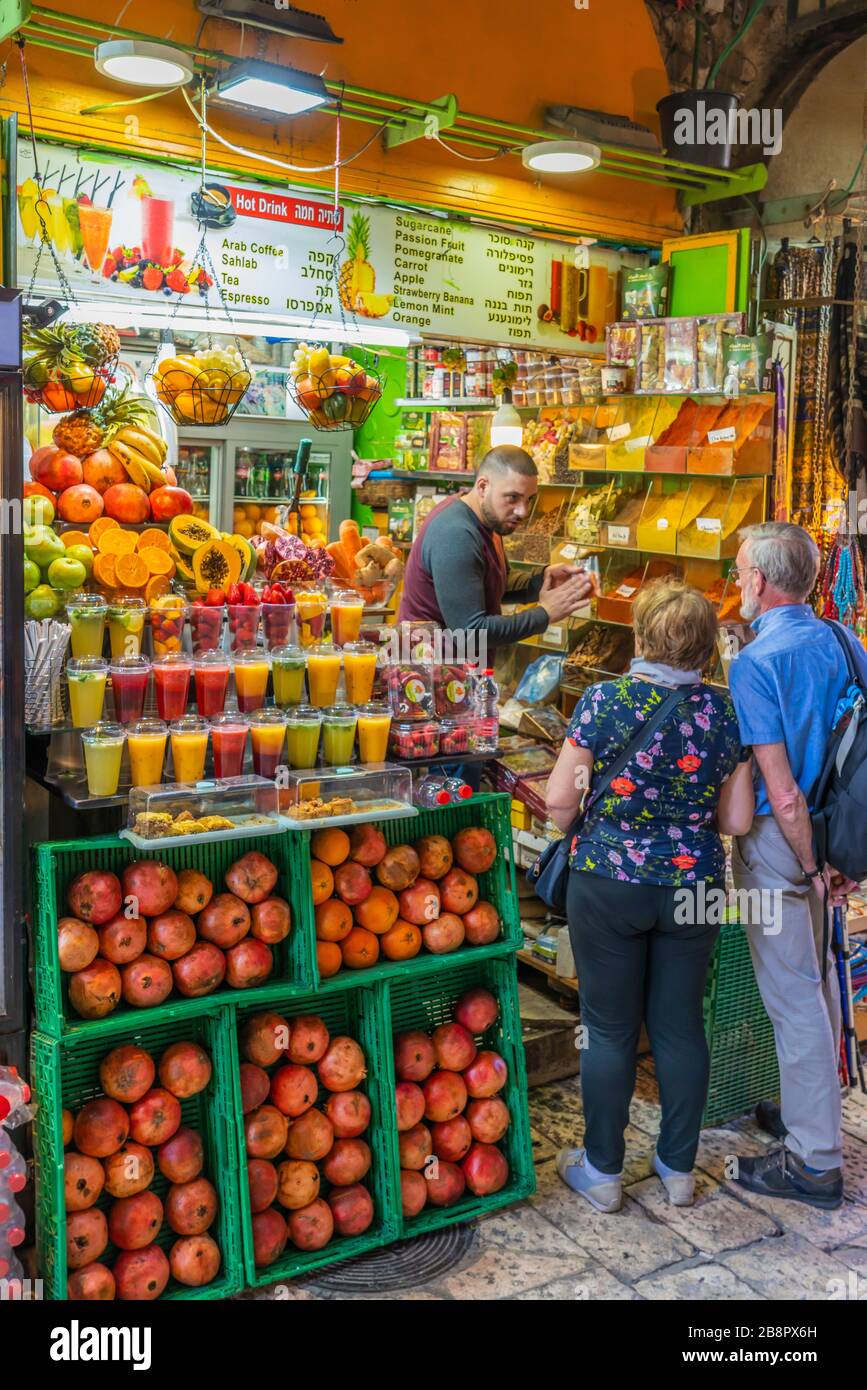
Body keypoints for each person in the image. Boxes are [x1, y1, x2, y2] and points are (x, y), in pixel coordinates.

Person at [545, 578, 755, 1213]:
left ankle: (603, 1172)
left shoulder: (605, 701)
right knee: (681, 1025)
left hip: (609, 882)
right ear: (704, 647)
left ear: (640, 636)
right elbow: (738, 821)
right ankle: (678, 1168)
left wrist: (595, 828)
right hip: (694, 887)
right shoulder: (726, 711)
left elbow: (559, 802)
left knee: (607, 1029)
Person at [727, 521, 867, 1211]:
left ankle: (813, 1163)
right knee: (815, 978)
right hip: (834, 835)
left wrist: (812, 865)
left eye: (737, 572)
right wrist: (842, 857)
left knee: (794, 998)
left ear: (758, 579)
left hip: (785, 846)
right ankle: (803, 1112)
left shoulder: (754, 662)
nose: (735, 584)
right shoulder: (847, 640)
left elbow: (779, 789)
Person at [397, 445, 594, 664]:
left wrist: (542, 580)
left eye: (529, 499)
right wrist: (544, 614)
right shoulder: (456, 534)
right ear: (483, 486)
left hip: (456, 677)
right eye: (512, 497)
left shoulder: (487, 520)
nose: (523, 511)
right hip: (428, 681)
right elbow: (470, 633)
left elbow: (493, 581)